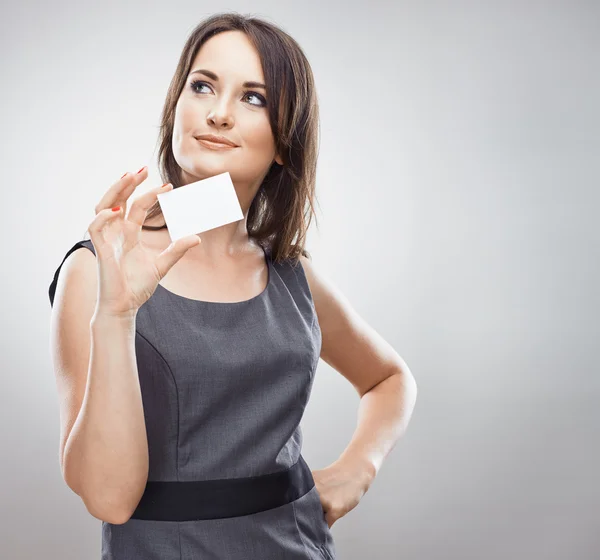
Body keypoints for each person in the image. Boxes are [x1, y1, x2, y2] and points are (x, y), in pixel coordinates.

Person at [48, 12, 417, 560]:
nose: (218, 114)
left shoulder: (291, 275)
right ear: (176, 108)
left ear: (286, 142)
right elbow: (109, 500)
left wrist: (357, 470)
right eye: (202, 87)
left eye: (253, 98)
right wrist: (118, 314)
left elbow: (389, 378)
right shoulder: (98, 270)